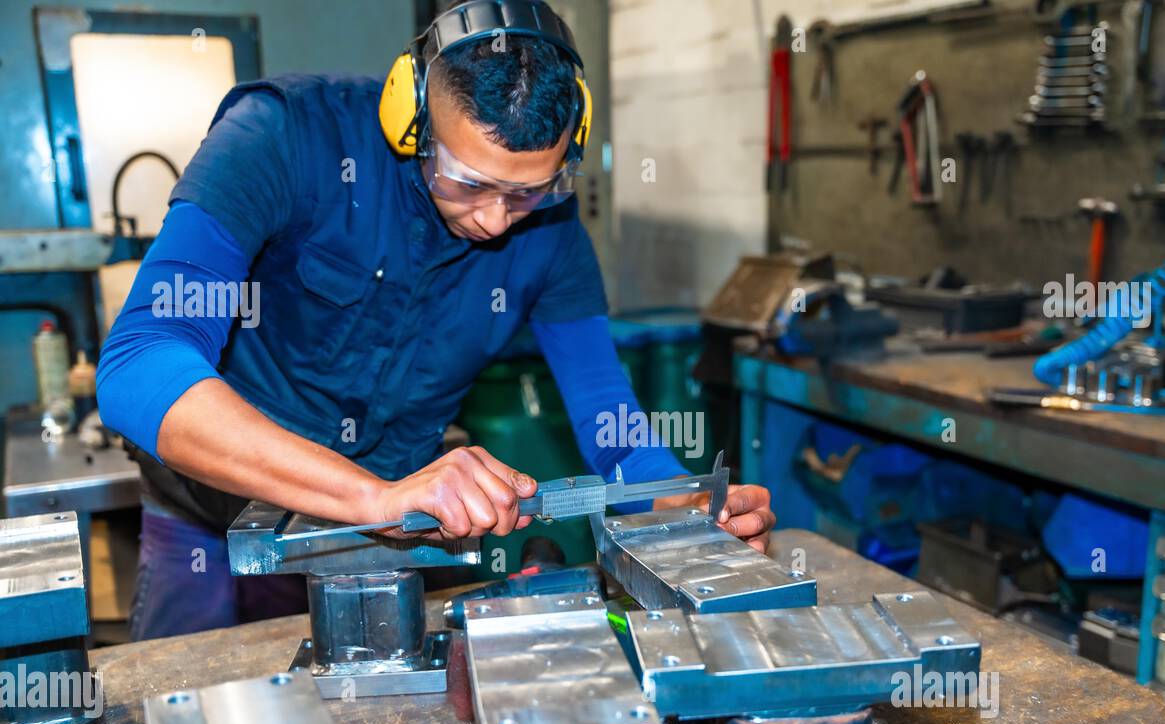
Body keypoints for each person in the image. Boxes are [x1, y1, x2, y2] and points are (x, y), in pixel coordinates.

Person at [97, 0, 775, 641]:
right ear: (411, 115)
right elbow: (140, 364)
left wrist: (681, 511)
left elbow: (611, 424)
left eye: (527, 190)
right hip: (210, 514)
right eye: (468, 181)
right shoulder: (284, 137)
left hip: (372, 535)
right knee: (183, 716)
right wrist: (374, 497)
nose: (492, 218)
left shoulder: (553, 232)